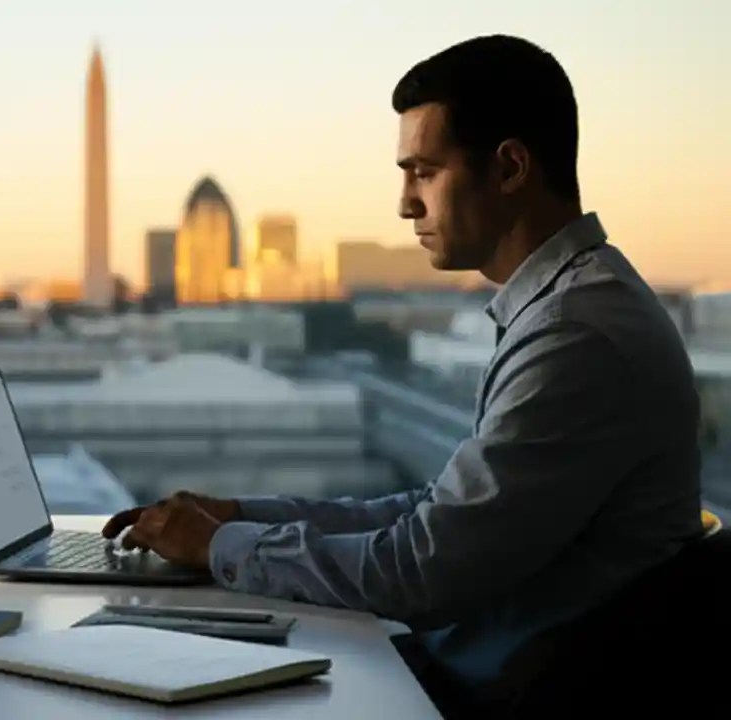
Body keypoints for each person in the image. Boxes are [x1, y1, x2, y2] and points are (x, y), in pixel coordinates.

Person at [102, 34, 705, 714]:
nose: (405, 204)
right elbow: (433, 515)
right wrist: (240, 518)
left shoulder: (576, 333)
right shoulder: (567, 307)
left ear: (510, 168)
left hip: (474, 698)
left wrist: (221, 546)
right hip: (464, 674)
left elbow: (423, 569)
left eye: (424, 171)